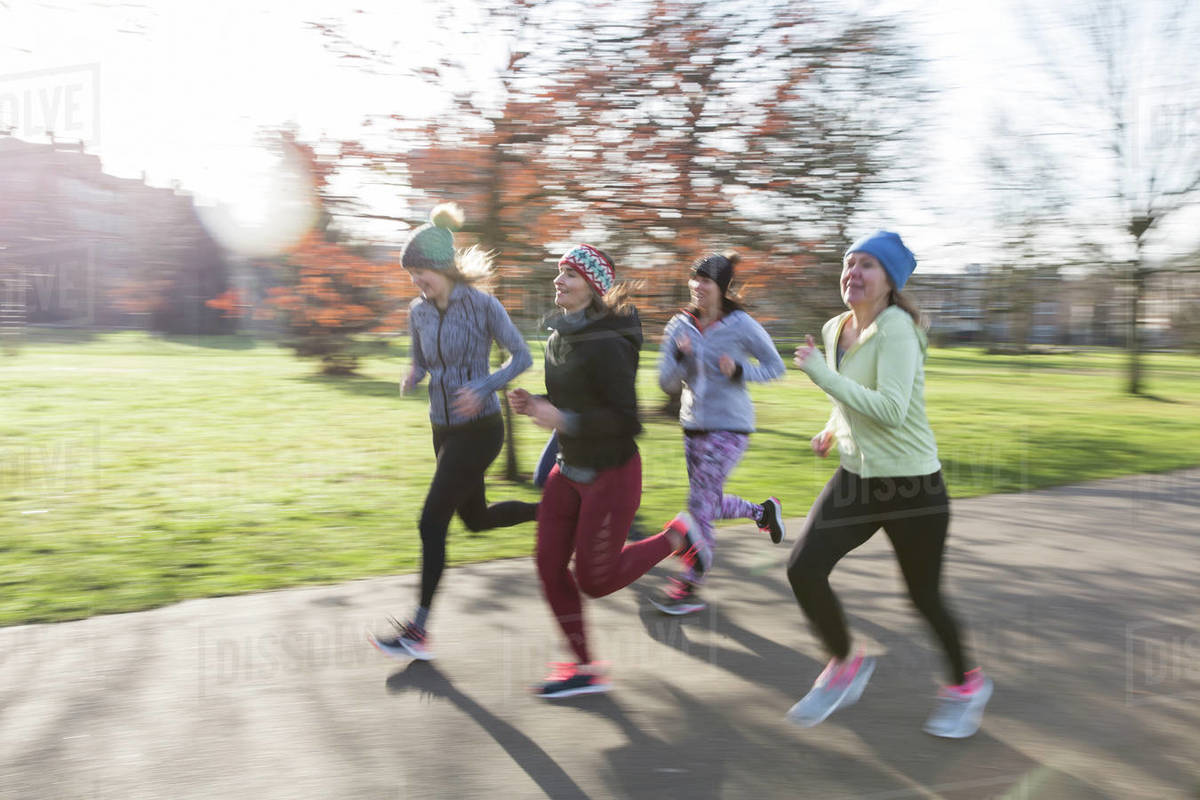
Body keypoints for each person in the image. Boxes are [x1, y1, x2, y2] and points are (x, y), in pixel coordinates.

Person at [787, 230, 993, 738]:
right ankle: (844, 664)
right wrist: (832, 428)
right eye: (849, 263)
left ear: (890, 280)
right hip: (858, 480)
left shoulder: (897, 328)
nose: (853, 272)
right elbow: (853, 398)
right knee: (803, 569)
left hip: (911, 489)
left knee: (923, 597)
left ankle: (967, 685)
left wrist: (821, 376)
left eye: (868, 265)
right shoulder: (836, 328)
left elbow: (892, 411)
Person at [508, 244, 712, 699]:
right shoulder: (561, 335)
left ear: (593, 288)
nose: (558, 281)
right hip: (570, 467)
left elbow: (624, 419)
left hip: (611, 472)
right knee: (548, 566)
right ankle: (585, 667)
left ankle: (679, 536)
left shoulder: (611, 342)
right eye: (559, 273)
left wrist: (561, 419)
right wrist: (537, 404)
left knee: (595, 580)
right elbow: (573, 397)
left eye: (570, 276)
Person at [370, 203, 536, 662]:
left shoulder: (482, 305)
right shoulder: (417, 311)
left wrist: (484, 385)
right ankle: (554, 510)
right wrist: (413, 373)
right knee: (475, 520)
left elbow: (522, 358)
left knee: (431, 521)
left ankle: (418, 630)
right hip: (442, 428)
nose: (416, 282)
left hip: (480, 428)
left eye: (421, 271)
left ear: (442, 267)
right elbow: (421, 359)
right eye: (410, 275)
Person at [651, 250, 788, 615]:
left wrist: (741, 371)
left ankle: (691, 583)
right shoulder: (678, 326)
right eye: (693, 278)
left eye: (706, 280)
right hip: (693, 424)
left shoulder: (742, 325)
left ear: (722, 288)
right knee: (707, 503)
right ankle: (762, 513)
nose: (697, 285)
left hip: (732, 425)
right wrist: (681, 360)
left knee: (699, 506)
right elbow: (665, 383)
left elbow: (777, 367)